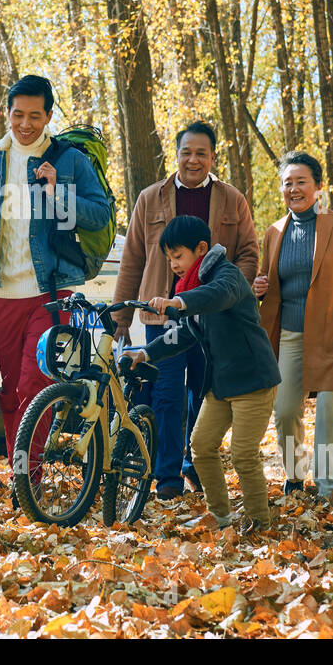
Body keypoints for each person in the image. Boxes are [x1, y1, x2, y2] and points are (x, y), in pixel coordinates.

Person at [0, 75, 112, 499]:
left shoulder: (68, 159)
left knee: (36, 384)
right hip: (1, 294)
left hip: (52, 290)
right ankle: (22, 471)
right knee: (11, 391)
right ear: (7, 114)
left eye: (36, 115)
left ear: (49, 115)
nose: (27, 124)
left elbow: (99, 214)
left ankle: (27, 481)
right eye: (19, 115)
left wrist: (57, 192)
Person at [112, 121, 259, 500]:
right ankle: (167, 479)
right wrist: (120, 319)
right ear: (175, 155)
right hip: (162, 316)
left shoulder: (232, 199)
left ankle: (194, 464)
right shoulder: (150, 198)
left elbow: (248, 255)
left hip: (210, 322)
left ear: (212, 157)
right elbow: (132, 259)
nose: (193, 160)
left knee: (203, 393)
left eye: (202, 153)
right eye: (186, 152)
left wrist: (229, 296)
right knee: (166, 396)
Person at [130, 215, 282, 531]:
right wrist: (146, 352)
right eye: (168, 259)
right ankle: (222, 517)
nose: (173, 265)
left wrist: (178, 301)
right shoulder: (192, 285)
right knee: (200, 446)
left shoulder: (227, 277)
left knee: (243, 455)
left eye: (178, 256)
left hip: (253, 380)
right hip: (221, 384)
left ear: (201, 249)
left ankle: (259, 522)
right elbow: (185, 334)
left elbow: (217, 296)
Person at [253, 151, 333, 504]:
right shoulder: (273, 232)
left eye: (301, 182)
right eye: (287, 183)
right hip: (289, 335)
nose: (293, 189)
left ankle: (329, 487)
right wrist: (257, 288)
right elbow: (266, 279)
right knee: (283, 410)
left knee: (329, 410)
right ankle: (295, 476)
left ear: (318, 187)